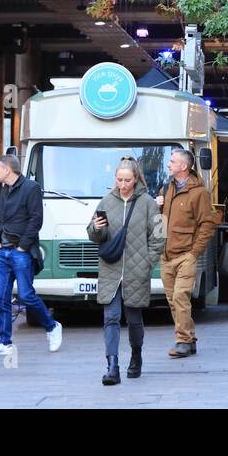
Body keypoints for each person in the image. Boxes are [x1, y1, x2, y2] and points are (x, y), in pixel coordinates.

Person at [88, 157, 164, 385]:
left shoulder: (149, 202)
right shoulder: (106, 201)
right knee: (110, 318)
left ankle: (136, 356)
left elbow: (161, 234)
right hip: (111, 269)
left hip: (136, 270)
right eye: (119, 179)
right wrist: (95, 228)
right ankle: (112, 366)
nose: (123, 184)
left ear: (136, 178)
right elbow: (94, 234)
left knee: (134, 319)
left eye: (127, 180)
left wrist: (148, 263)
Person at [0, 154, 63, 357]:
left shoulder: (31, 188)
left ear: (8, 169)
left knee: (26, 295)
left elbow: (36, 219)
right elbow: (1, 217)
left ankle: (52, 327)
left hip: (20, 252)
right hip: (3, 252)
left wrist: (23, 247)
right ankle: (4, 341)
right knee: (1, 297)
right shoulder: (4, 189)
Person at [157, 148, 216, 357]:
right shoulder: (166, 188)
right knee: (173, 300)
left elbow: (207, 225)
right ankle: (189, 339)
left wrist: (194, 253)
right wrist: (158, 208)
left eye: (172, 161)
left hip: (186, 256)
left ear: (183, 166)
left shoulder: (199, 193)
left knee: (181, 296)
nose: (168, 164)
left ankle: (182, 340)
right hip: (166, 256)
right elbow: (160, 222)